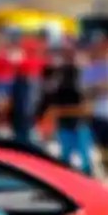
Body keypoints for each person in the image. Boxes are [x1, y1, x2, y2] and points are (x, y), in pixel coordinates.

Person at [38, 45, 94, 175]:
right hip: (65, 125)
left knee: (83, 164)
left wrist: (58, 111)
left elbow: (86, 108)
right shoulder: (59, 75)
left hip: (78, 125)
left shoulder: (81, 76)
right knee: (66, 163)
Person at [82, 38, 108, 176]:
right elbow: (85, 90)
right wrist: (97, 88)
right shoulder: (90, 69)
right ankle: (105, 164)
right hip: (96, 110)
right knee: (99, 140)